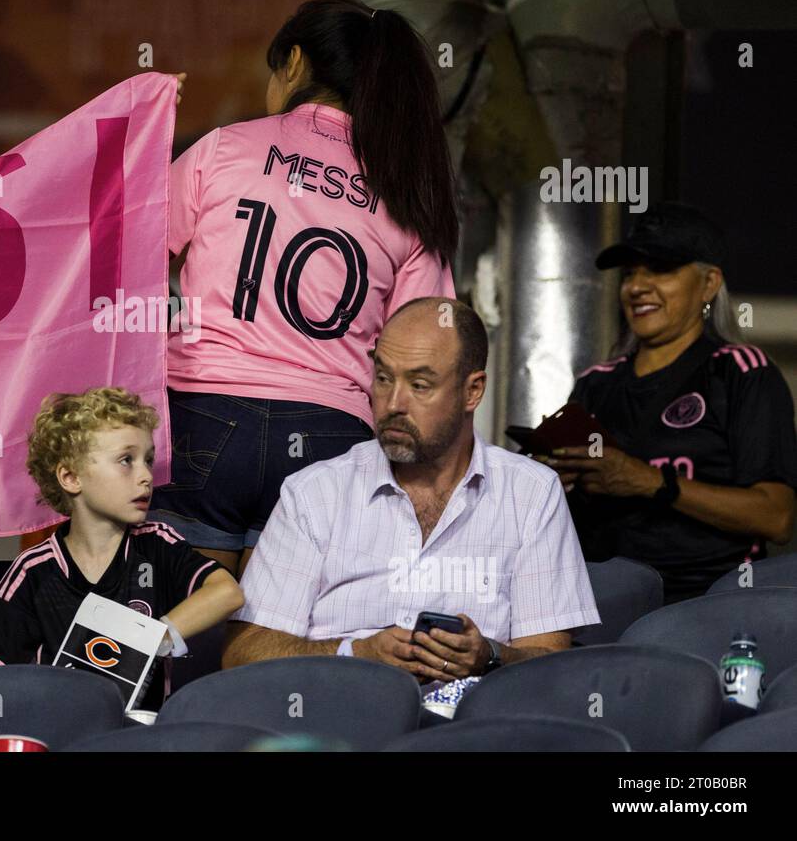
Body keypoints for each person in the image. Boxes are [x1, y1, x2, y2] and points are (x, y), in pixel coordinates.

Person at [151, 0, 459, 578]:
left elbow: (128, 259)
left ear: (293, 63)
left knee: (168, 630)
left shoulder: (224, 148)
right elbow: (428, 347)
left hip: (202, 417)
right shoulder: (409, 195)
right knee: (282, 647)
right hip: (333, 440)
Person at [225, 299, 599, 681]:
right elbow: (242, 652)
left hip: (469, 728)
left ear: (473, 391)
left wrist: (490, 655)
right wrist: (354, 653)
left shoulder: (531, 493)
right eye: (384, 378)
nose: (392, 404)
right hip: (338, 722)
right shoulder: (314, 494)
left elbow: (552, 663)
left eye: (420, 385)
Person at [541, 206, 797, 603]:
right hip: (600, 605)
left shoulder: (741, 372)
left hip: (707, 606)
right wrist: (549, 483)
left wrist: (649, 482)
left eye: (660, 269)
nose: (637, 287)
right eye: (630, 273)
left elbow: (776, 517)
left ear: (709, 283)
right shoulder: (596, 383)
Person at [0, 388, 243, 708]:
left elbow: (227, 592)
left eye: (148, 461)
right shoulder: (34, 569)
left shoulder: (157, 543)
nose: (145, 477)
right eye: (126, 460)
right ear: (70, 477)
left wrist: (154, 639)